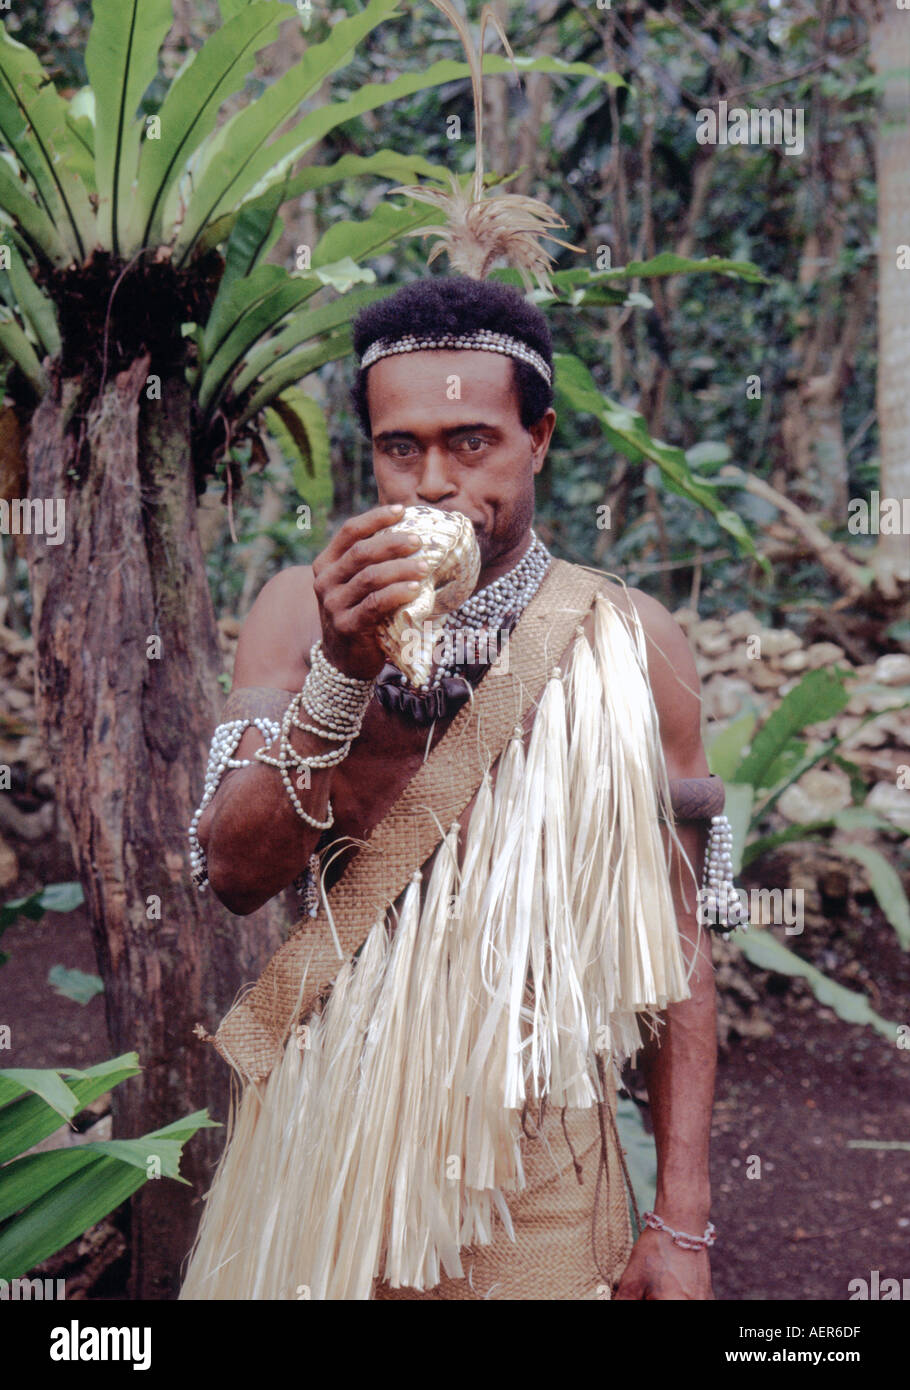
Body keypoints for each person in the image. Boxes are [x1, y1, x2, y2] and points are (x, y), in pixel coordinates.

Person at [180, 274, 740, 1301]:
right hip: (320, 1147)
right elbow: (234, 871)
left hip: (541, 1154)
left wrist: (683, 1220)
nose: (432, 481)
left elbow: (679, 942)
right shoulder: (295, 615)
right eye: (402, 447)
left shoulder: (631, 644)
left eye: (471, 440)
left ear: (539, 437)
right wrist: (340, 676)